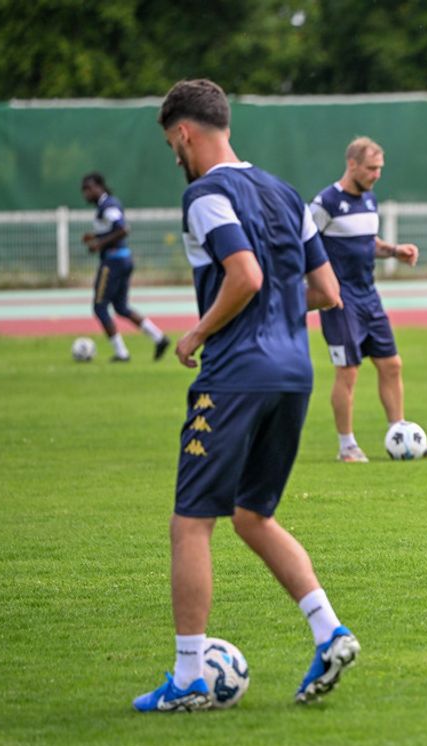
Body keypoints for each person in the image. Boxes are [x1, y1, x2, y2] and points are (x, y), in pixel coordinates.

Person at [133, 78, 359, 712]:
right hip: (294, 372)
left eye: (171, 143)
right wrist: (278, 310)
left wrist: (197, 332)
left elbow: (245, 274)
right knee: (252, 515)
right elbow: (326, 289)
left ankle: (188, 677)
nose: (174, 154)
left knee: (191, 522)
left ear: (182, 133)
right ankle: (328, 630)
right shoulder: (285, 193)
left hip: (235, 374)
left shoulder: (205, 195)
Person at [310, 137, 427, 462]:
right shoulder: (325, 203)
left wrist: (394, 250)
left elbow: (367, 243)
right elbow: (303, 248)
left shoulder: (369, 200)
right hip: (339, 301)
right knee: (348, 371)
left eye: (380, 168)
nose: (376, 174)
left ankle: (400, 433)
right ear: (352, 164)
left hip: (369, 296)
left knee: (391, 364)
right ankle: (346, 445)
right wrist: (319, 290)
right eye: (371, 168)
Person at [80, 173, 169, 362]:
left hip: (113, 263)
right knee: (121, 307)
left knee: (99, 307)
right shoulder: (105, 206)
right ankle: (159, 338)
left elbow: (123, 229)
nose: (85, 193)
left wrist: (99, 244)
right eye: (84, 190)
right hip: (123, 260)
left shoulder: (107, 206)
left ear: (99, 187)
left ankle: (122, 353)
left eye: (88, 188)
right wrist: (95, 238)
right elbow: (112, 231)